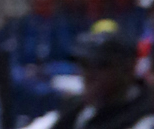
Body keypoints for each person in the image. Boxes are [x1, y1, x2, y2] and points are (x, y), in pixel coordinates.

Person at [22, 29, 152, 129]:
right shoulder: (78, 107)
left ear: (128, 68)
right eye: (84, 64)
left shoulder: (145, 115)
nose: (89, 74)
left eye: (100, 65)